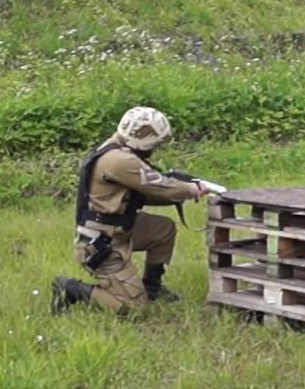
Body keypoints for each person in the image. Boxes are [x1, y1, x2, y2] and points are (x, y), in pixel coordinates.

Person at [51, 106, 217, 314]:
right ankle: (72, 289)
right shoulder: (120, 160)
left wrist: (179, 191)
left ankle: (152, 287)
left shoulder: (115, 149)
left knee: (163, 229)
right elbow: (161, 186)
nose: (155, 148)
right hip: (101, 245)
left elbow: (142, 194)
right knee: (134, 309)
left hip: (116, 229)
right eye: (155, 143)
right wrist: (191, 189)